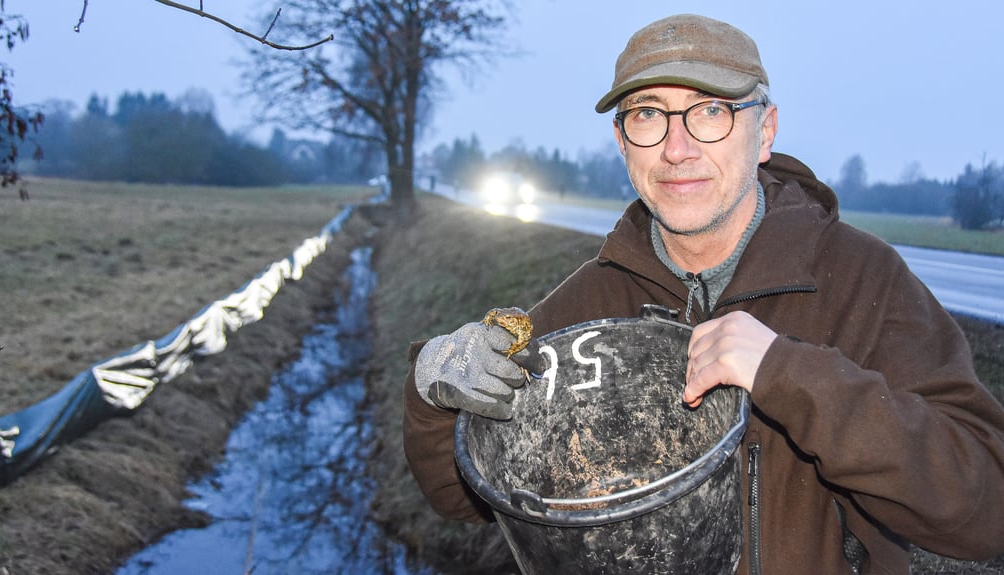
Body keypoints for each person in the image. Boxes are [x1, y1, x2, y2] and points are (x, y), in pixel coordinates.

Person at [402, 13, 1004, 574]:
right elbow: (464, 494)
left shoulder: (861, 279)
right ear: (622, 141)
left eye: (711, 111)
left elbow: (985, 511)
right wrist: (434, 396)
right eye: (647, 114)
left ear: (763, 131)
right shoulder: (589, 303)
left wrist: (787, 373)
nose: (676, 147)